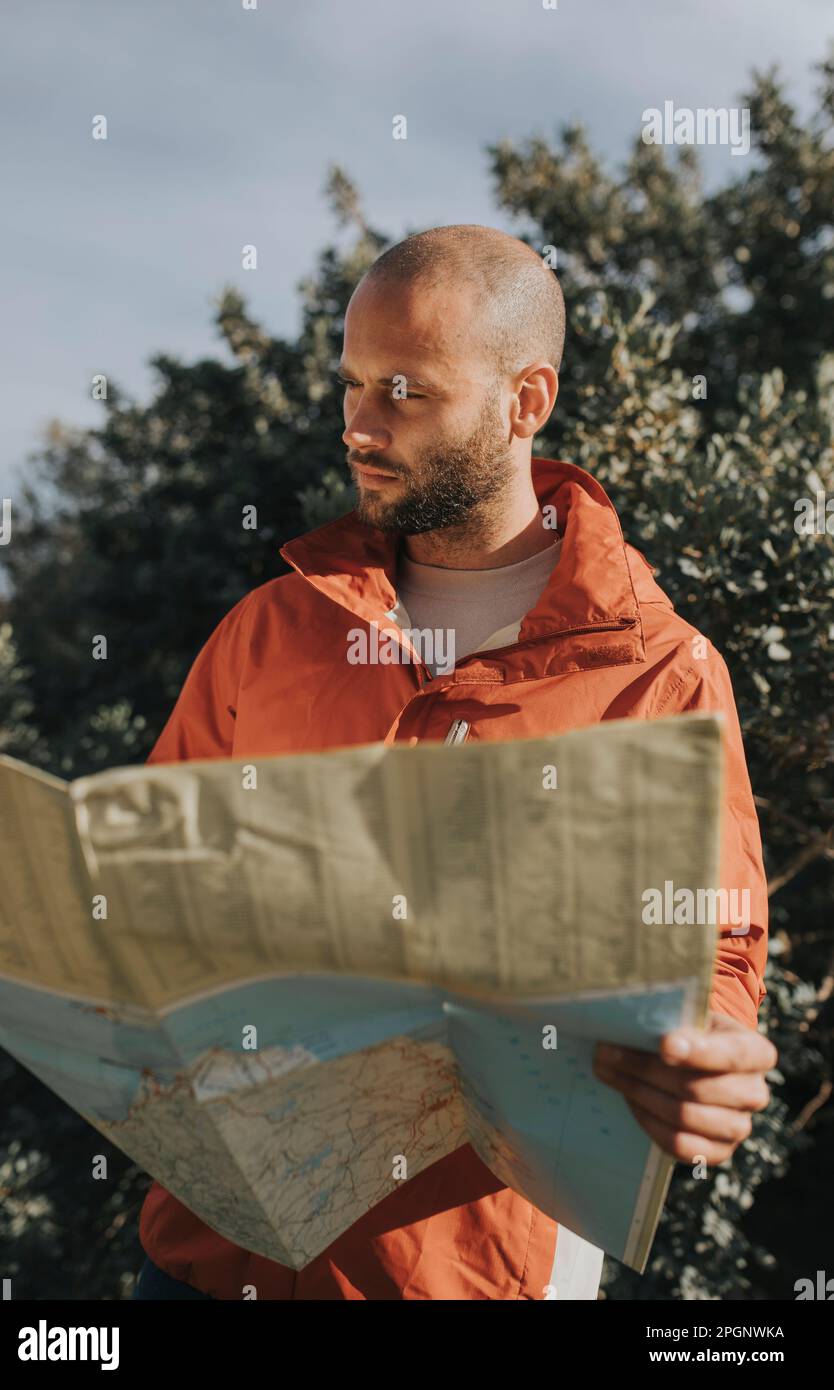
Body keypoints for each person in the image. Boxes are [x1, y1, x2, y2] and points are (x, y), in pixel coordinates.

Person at [132, 225, 775, 1301]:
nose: (358, 426)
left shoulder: (659, 671)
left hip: (466, 1278)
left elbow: (714, 951)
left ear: (525, 402)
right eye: (348, 386)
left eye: (403, 392)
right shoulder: (266, 630)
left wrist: (702, 1056)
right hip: (207, 1257)